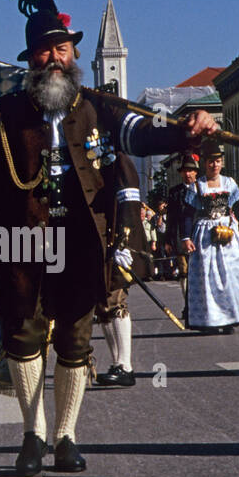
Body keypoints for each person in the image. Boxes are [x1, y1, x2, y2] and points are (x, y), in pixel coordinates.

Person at [0, 0, 211, 476]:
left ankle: (65, 438)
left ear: (73, 57)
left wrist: (184, 134)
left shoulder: (98, 106)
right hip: (21, 241)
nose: (55, 59)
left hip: (80, 242)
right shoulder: (5, 113)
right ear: (30, 60)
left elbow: (141, 135)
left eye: (62, 49)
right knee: (23, 336)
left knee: (75, 342)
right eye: (45, 52)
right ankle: (31, 435)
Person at [182, 143, 239, 333]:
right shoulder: (197, 186)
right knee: (208, 277)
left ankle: (230, 318)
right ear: (205, 163)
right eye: (211, 161)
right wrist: (185, 238)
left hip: (228, 232)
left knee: (230, 275)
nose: (215, 165)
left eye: (218, 161)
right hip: (205, 234)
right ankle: (209, 320)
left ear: (222, 163)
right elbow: (188, 214)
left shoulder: (229, 183)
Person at [93, 152, 147, 387]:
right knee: (103, 305)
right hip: (98, 243)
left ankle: (126, 365)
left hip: (116, 243)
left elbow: (130, 208)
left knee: (115, 300)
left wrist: (125, 245)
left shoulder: (120, 162)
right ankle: (117, 363)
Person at [166, 153, 200, 313]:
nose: (188, 173)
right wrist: (168, 239)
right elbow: (171, 217)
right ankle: (188, 305)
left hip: (200, 234)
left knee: (200, 270)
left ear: (196, 172)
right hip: (180, 236)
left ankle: (201, 305)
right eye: (185, 170)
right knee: (184, 272)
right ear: (181, 173)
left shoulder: (203, 188)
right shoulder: (175, 192)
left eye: (191, 170)